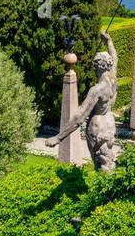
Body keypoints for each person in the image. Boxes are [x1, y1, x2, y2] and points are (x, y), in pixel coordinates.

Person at [47, 30, 120, 172]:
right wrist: (108, 41)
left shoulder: (97, 90)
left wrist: (58, 138)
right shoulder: (113, 80)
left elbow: (79, 117)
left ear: (97, 67)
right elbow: (115, 59)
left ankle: (102, 185)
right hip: (110, 125)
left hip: (98, 129)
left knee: (101, 165)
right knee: (108, 161)